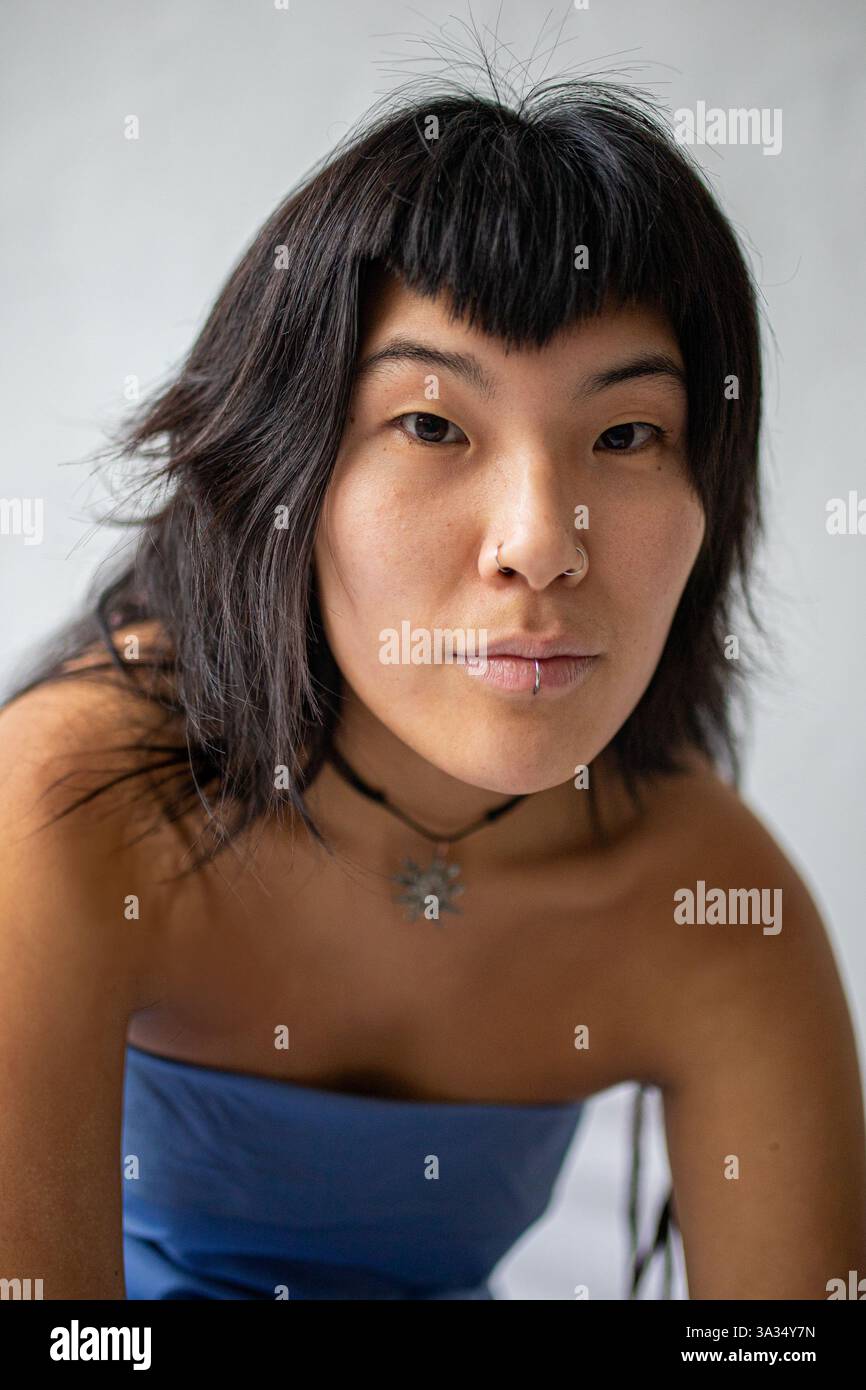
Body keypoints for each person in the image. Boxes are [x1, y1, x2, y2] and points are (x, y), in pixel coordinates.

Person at [1, 72, 863, 1301]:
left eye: (624, 436)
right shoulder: (67, 805)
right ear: (284, 468)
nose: (540, 542)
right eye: (430, 424)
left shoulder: (710, 905)